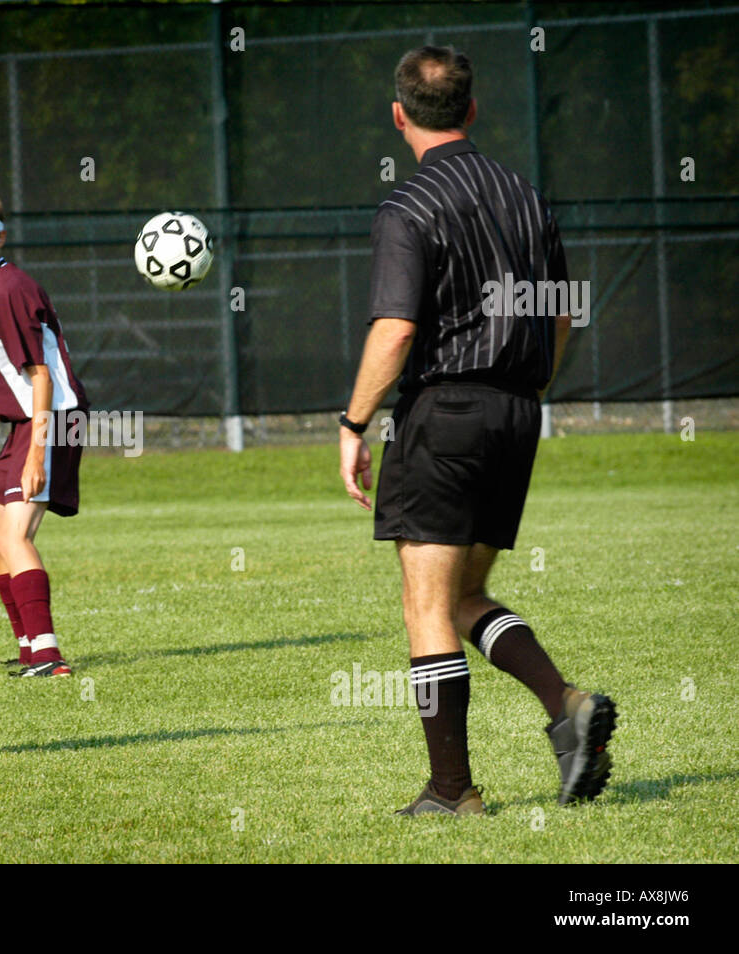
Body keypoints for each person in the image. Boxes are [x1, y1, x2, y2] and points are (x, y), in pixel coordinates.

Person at [338, 46, 616, 815]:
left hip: (446, 413)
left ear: (399, 116)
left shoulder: (407, 204)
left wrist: (352, 422)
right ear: (471, 110)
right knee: (465, 596)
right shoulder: (527, 194)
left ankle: (451, 791)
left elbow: (395, 331)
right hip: (517, 412)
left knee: (426, 604)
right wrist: (528, 387)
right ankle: (566, 707)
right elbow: (561, 313)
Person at [0, 191, 89, 677]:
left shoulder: (8, 289)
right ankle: (30, 648)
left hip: (51, 418)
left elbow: (43, 375)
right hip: (25, 421)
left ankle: (49, 658)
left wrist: (37, 456)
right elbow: (17, 367)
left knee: (15, 533)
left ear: (0, 237)